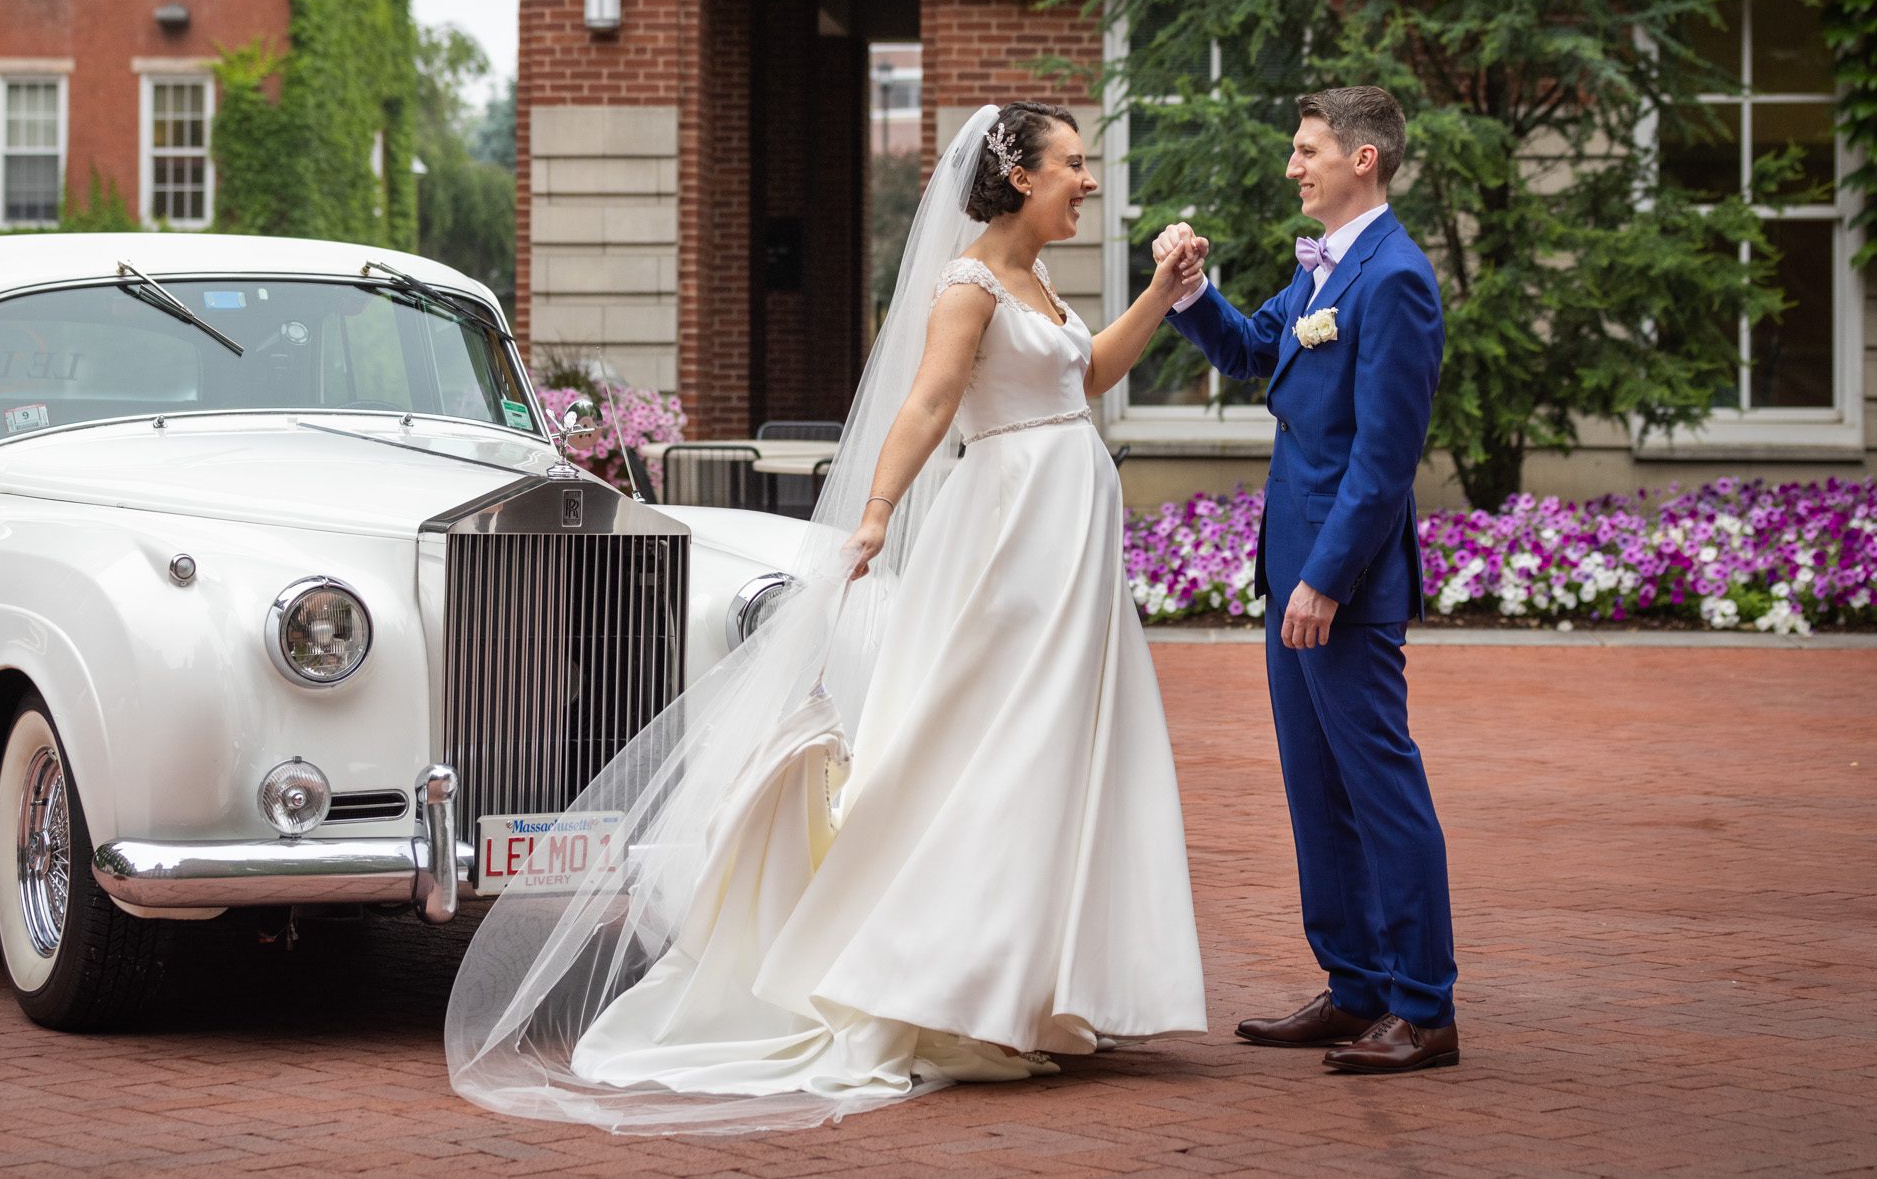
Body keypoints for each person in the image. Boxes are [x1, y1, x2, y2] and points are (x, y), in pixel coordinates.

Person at [446, 102, 1206, 1134]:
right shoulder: (969, 283)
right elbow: (927, 405)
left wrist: (1161, 293)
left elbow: (1088, 376)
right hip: (1015, 545)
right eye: (1075, 162)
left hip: (1070, 548)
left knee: (1062, 749)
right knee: (1000, 745)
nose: (1091, 179)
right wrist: (877, 511)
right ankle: (948, 979)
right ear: (1022, 176)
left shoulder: (1039, 282)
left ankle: (1030, 985)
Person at [1153, 85, 1458, 1075]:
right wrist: (1191, 290)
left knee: (1380, 787)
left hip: (1342, 581)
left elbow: (1384, 456)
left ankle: (1424, 1007)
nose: (1292, 165)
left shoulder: (1394, 277)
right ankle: (1355, 984)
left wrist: (1326, 578)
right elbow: (1253, 349)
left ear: (1361, 159)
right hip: (1290, 568)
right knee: (1315, 787)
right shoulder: (1325, 266)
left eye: (1306, 149)